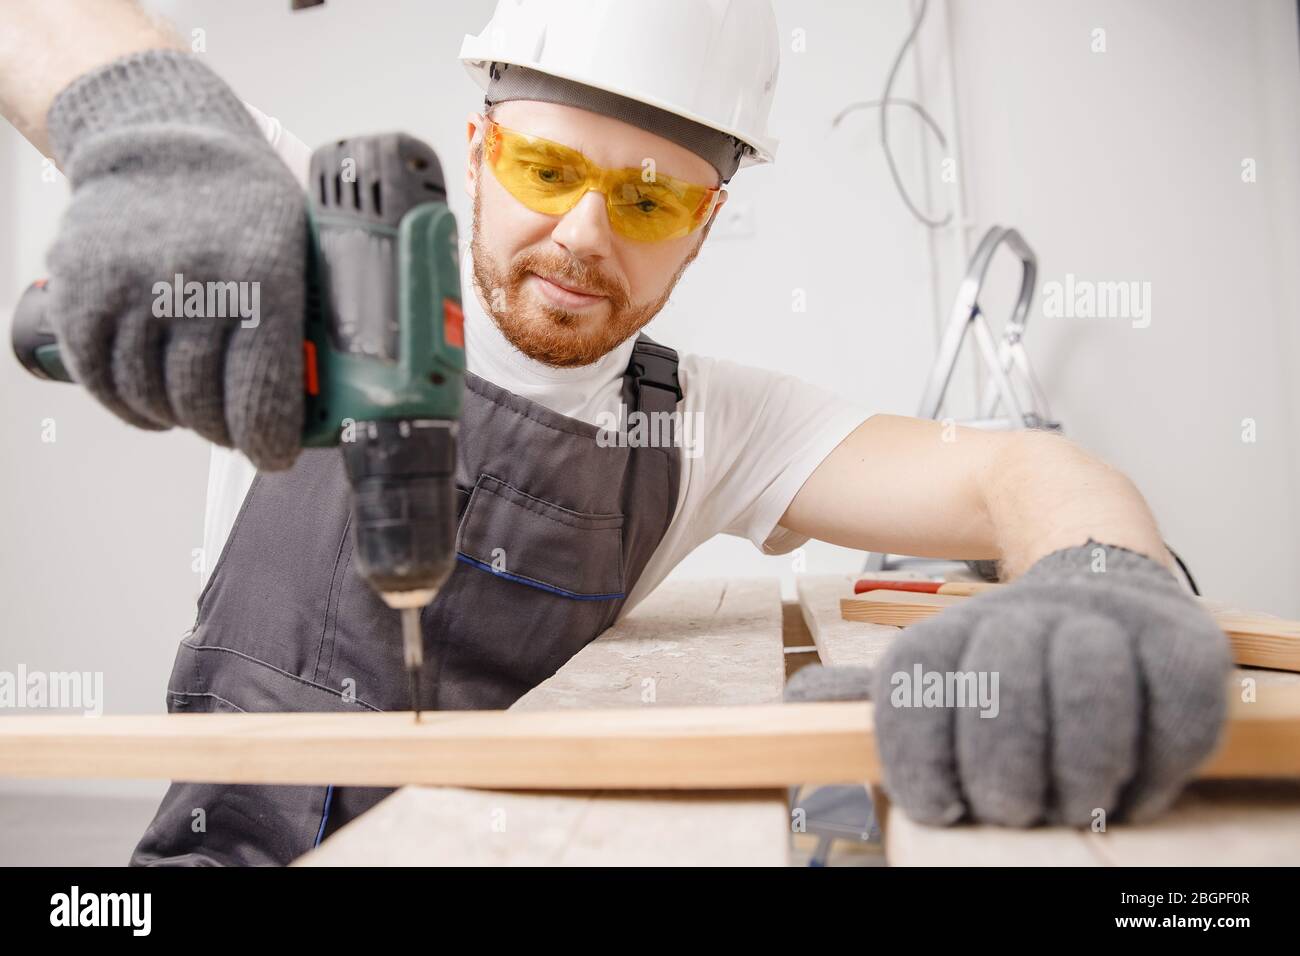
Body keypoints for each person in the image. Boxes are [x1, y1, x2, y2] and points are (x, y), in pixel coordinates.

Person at [0, 0, 1230, 865]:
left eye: (648, 199)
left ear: (704, 225)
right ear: (479, 154)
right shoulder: (315, 233)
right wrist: (159, 134)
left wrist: (1107, 581)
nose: (589, 234)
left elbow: (1021, 470)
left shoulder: (707, 427)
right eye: (547, 168)